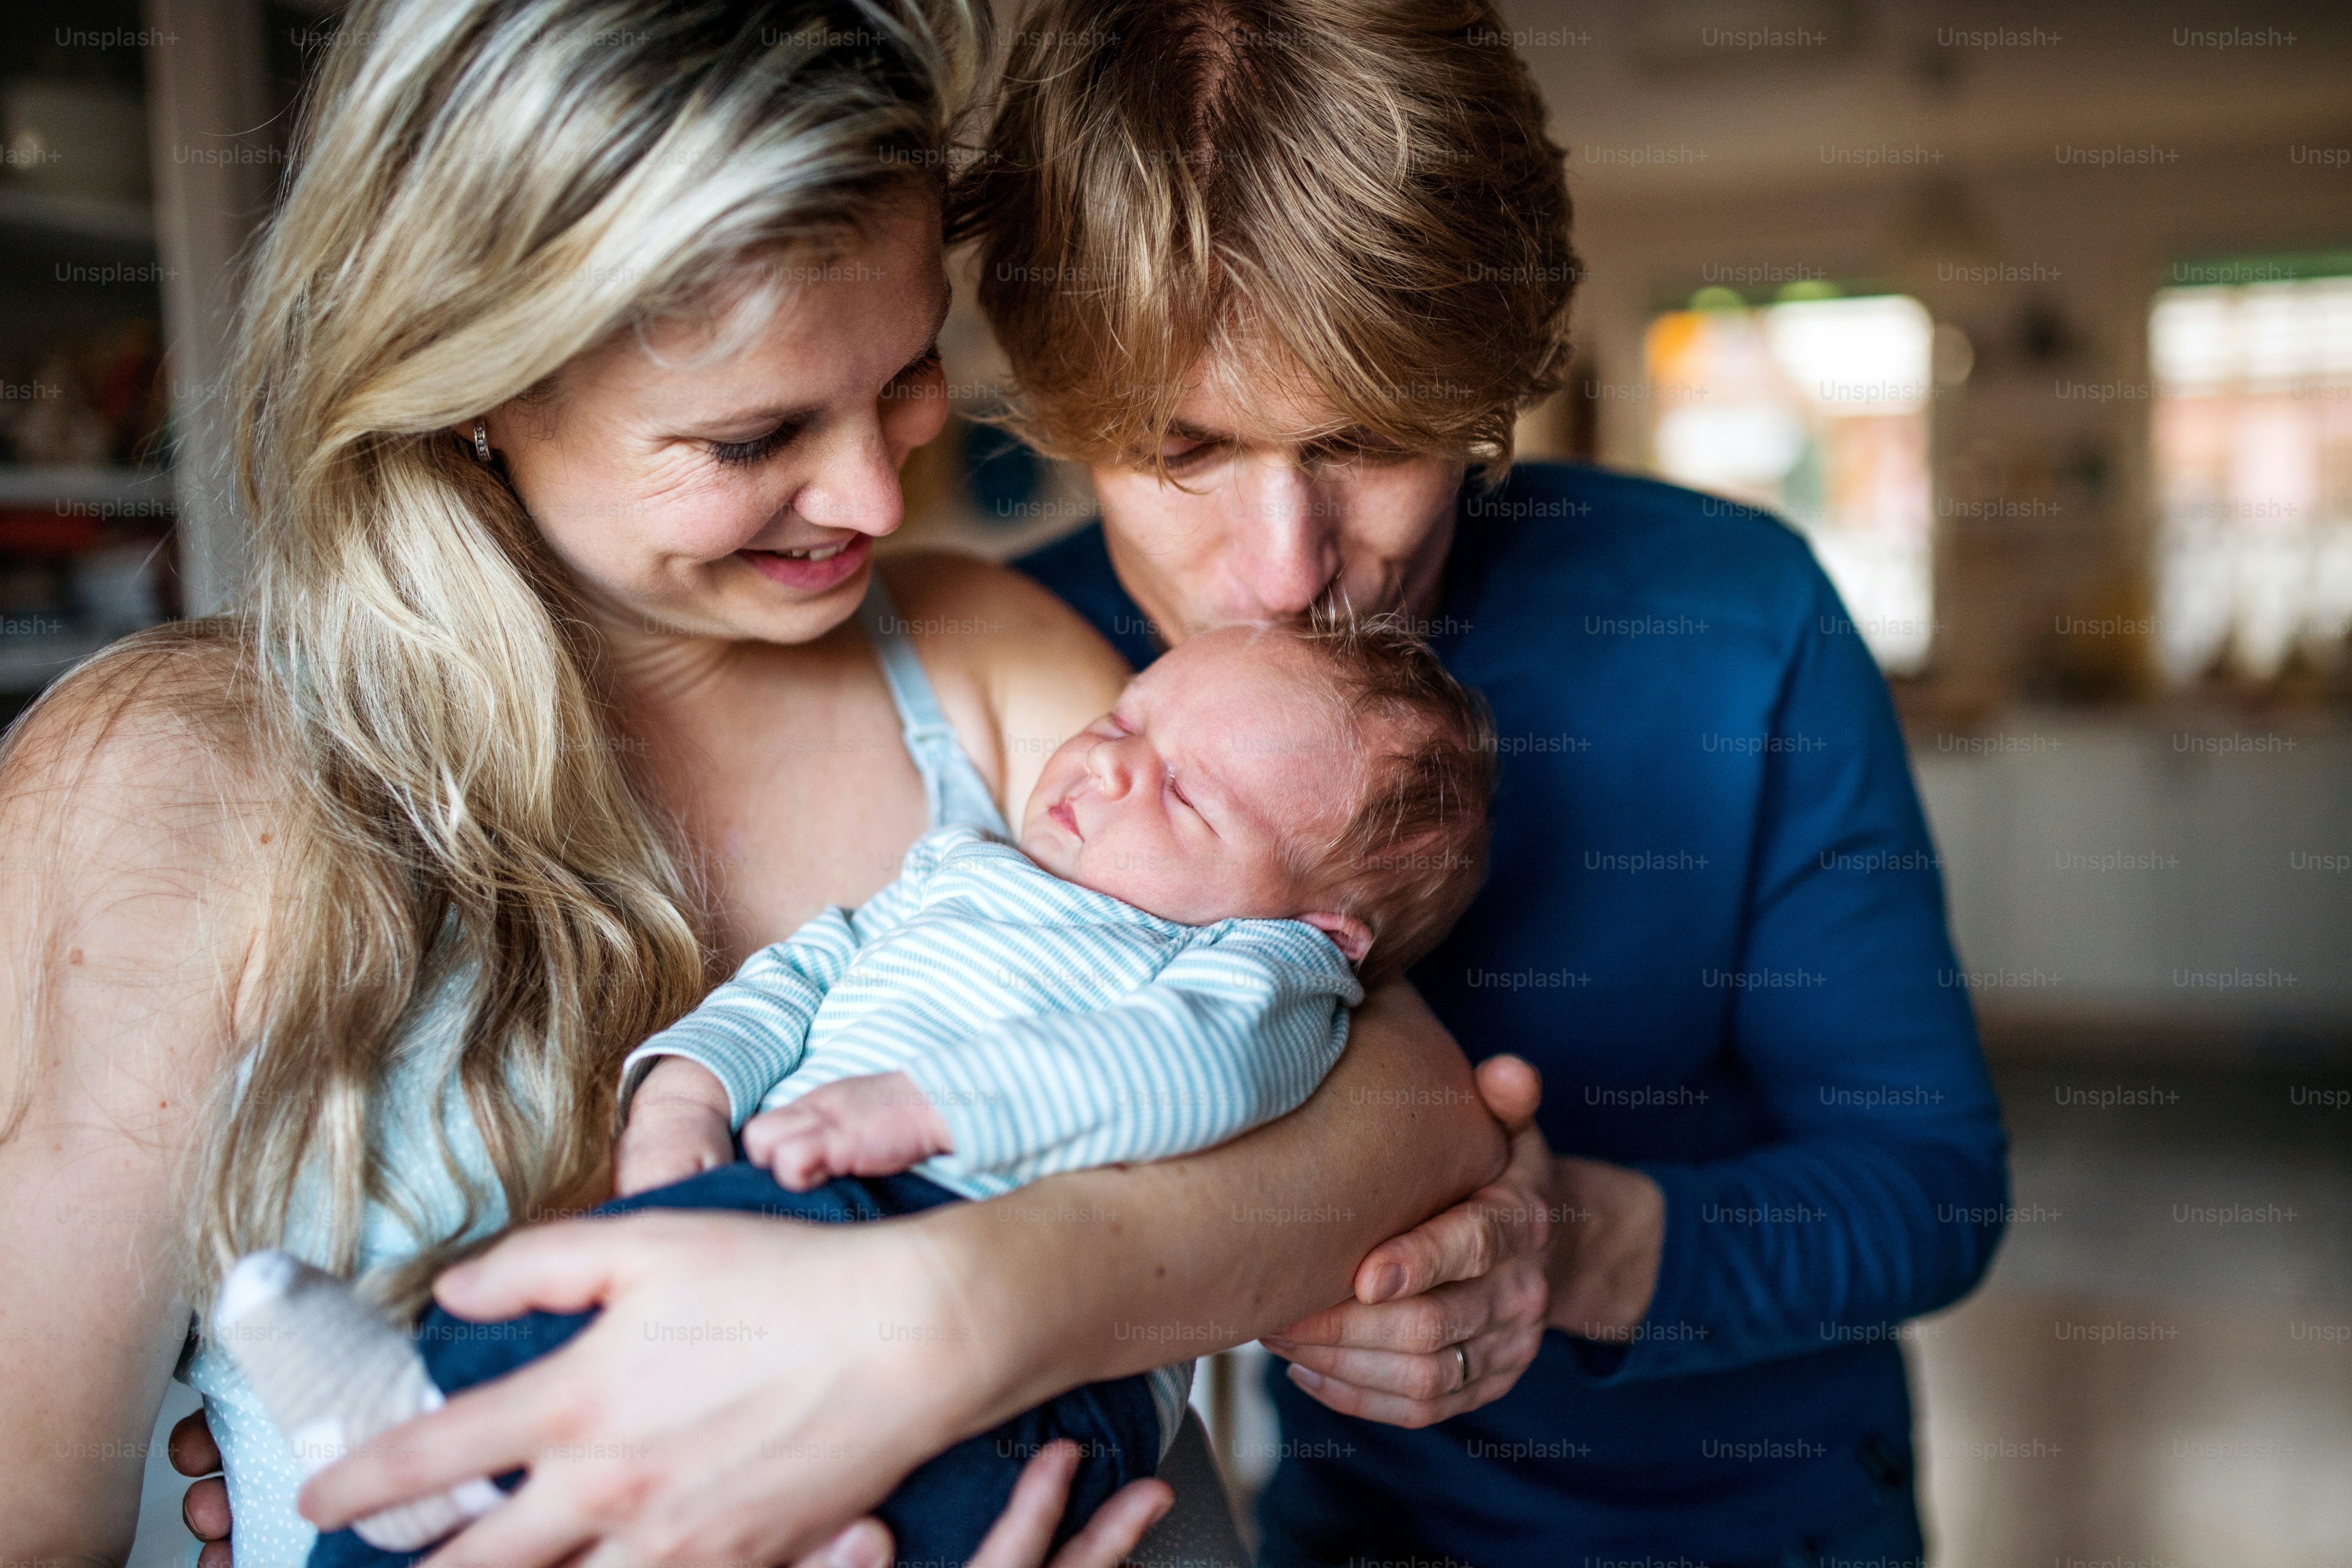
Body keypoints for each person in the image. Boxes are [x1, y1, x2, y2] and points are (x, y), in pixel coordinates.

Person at [1, 4, 1552, 1567]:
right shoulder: (181, 780)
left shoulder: (978, 659)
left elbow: (1405, 1098)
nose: (877, 494)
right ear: (468, 379)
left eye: (907, 375)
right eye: (756, 434)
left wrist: (947, 1317)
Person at [964, 2, 2014, 1563]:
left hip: (1752, 1520)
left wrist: (1563, 1250)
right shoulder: (1017, 665)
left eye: (1374, 440)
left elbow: (1931, 1190)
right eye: (1183, 447)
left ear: (1485, 393)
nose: (1282, 571)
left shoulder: (1734, 624)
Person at [220, 618, 1495, 1566]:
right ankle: (416, 1436)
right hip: (797, 1193)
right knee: (603, 1305)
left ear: (1331, 927)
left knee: (905, 1476)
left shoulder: (1264, 970)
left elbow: (1181, 1074)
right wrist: (685, 1093)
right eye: (1124, 721)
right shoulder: (963, 864)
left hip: (1010, 1315)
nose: (1106, 768)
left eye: (1187, 793)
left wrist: (924, 1111)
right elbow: (803, 973)